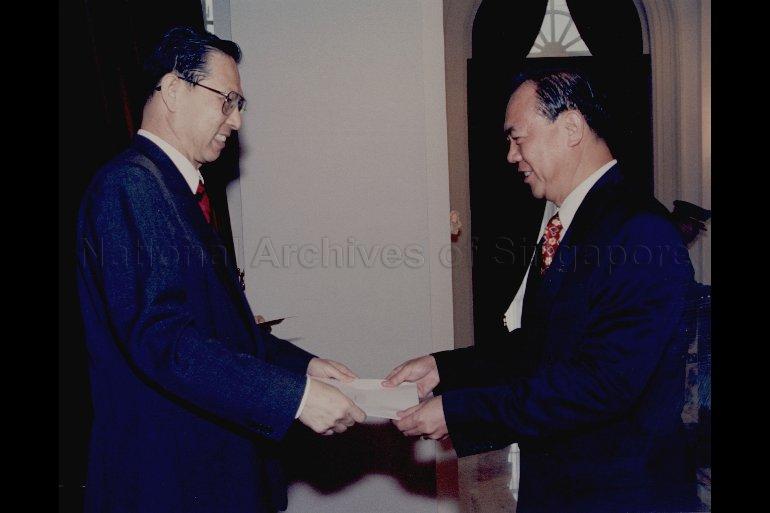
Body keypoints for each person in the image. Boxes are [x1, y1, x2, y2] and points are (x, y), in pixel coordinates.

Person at [76, 26, 365, 513]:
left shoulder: (172, 189)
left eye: (240, 105)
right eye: (227, 100)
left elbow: (218, 328)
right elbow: (163, 339)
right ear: (172, 90)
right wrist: (294, 397)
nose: (236, 120)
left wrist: (303, 366)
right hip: (169, 481)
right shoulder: (131, 187)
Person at [383, 69, 700, 513]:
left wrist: (462, 410)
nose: (511, 155)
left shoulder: (640, 232)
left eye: (518, 137)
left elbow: (601, 385)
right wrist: (444, 370)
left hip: (620, 496)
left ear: (571, 128)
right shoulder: (572, 221)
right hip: (563, 489)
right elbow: (539, 348)